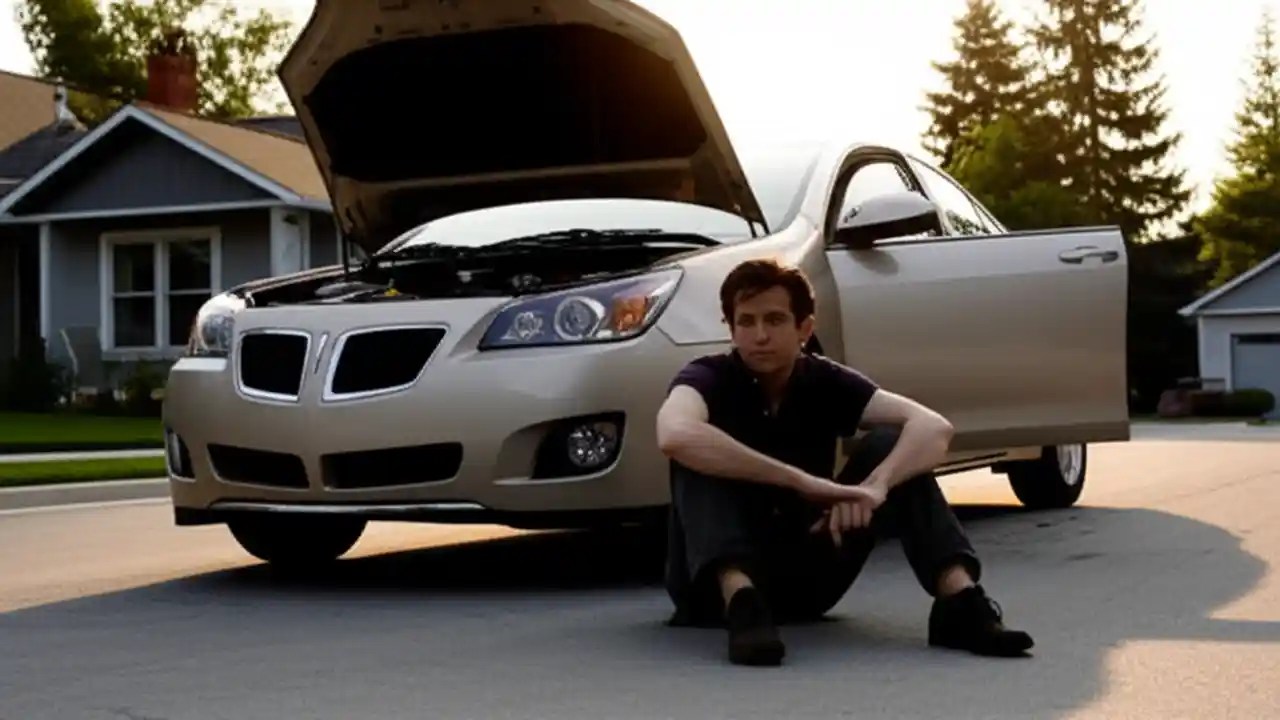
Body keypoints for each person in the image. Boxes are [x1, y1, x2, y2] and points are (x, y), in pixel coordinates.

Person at [654, 257, 1034, 666]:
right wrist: (806, 484)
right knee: (698, 449)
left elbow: (933, 427)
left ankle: (959, 602)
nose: (759, 335)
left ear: (805, 328)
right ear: (730, 328)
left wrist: (875, 488)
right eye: (746, 322)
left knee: (893, 444)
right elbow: (674, 433)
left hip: (808, 578)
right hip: (710, 591)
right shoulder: (706, 377)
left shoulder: (824, 380)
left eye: (775, 320)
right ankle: (743, 605)